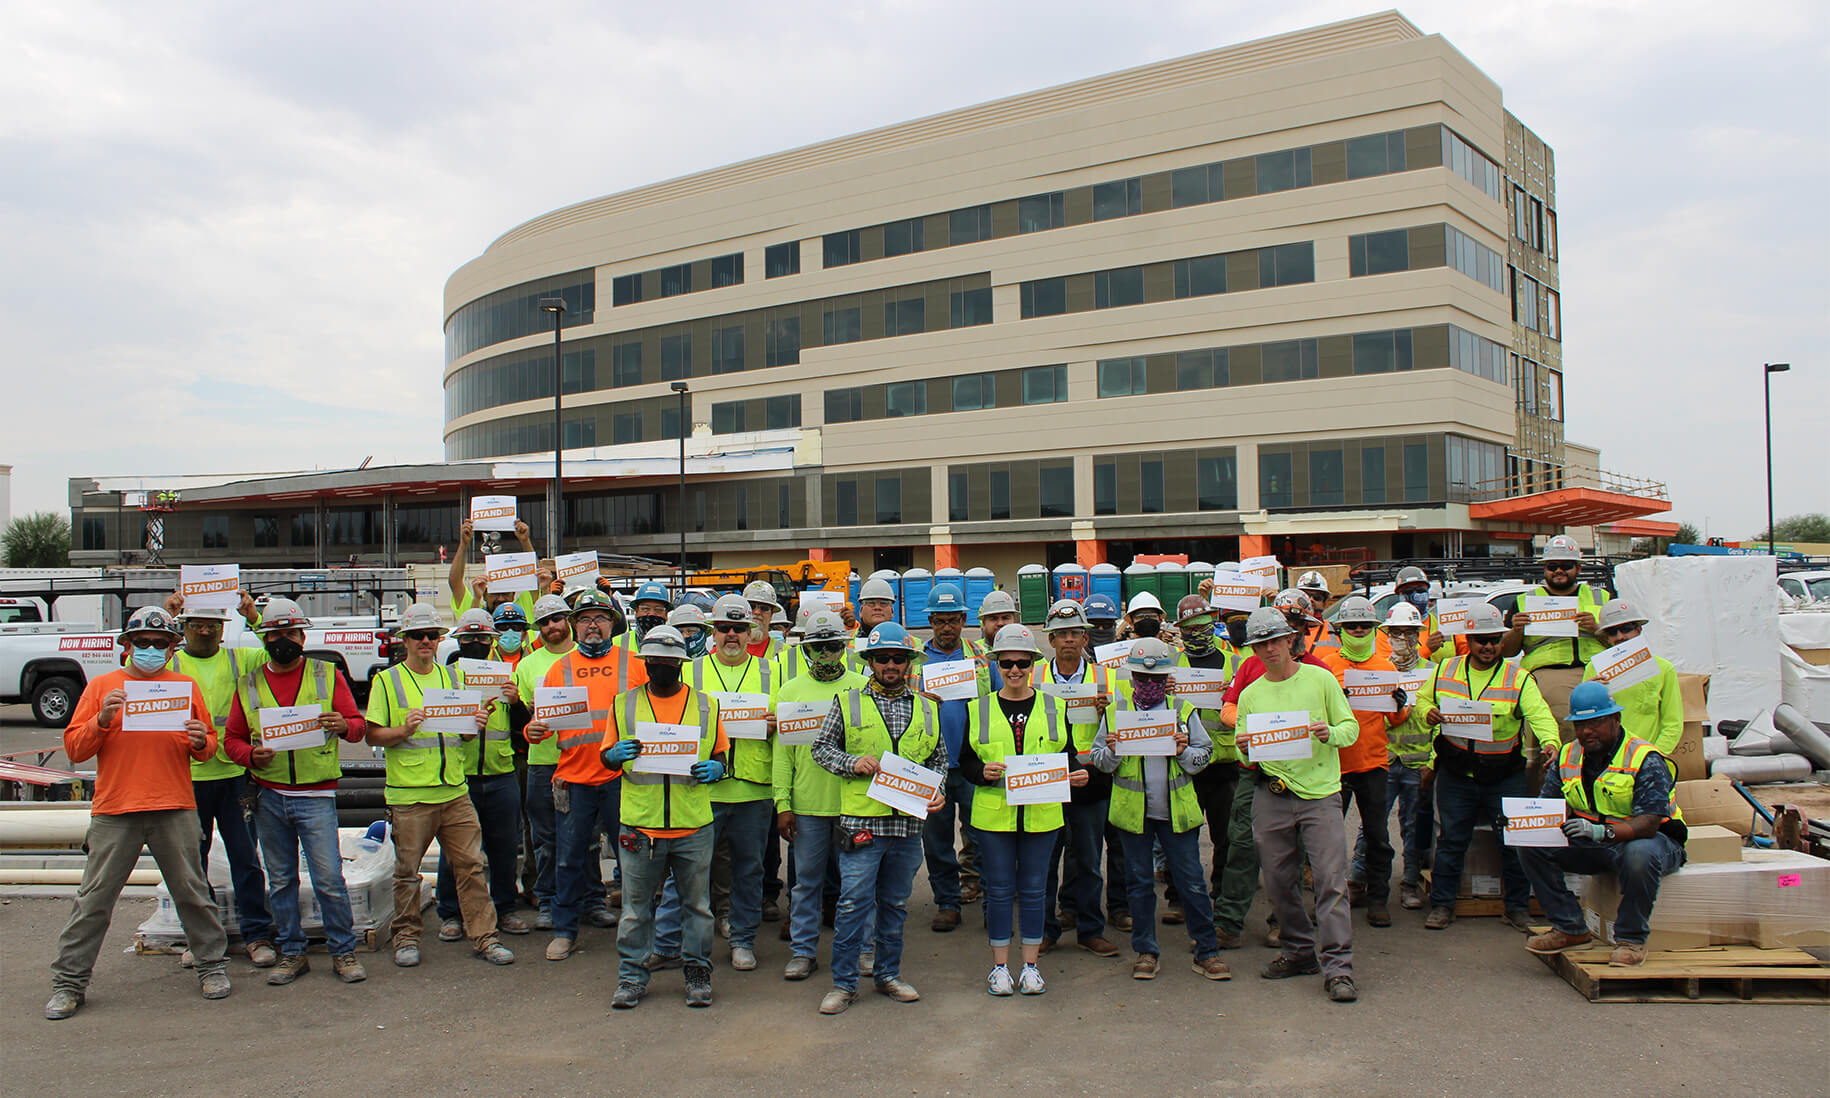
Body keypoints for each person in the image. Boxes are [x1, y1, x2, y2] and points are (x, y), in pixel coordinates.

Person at [45, 607, 229, 1020]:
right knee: (93, 901)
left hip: (174, 805)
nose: (150, 649)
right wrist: (102, 720)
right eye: (142, 642)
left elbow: (206, 747)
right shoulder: (102, 687)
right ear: (125, 646)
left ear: (172, 648)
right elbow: (75, 749)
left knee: (193, 894)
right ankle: (69, 983)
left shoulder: (184, 686)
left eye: (160, 644)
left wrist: (201, 741)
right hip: (116, 809)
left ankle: (211, 967)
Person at [222, 597, 370, 986]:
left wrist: (343, 725)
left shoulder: (326, 674)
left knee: (328, 879)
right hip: (270, 796)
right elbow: (232, 741)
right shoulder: (249, 684)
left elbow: (357, 725)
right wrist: (251, 755)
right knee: (282, 879)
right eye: (276, 634)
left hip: (316, 796)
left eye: (290, 633)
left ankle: (343, 950)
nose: (284, 640)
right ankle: (292, 952)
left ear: (303, 636)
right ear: (265, 638)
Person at [364, 603, 515, 968]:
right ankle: (406, 936)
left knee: (472, 866)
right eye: (418, 636)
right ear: (406, 641)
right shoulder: (387, 681)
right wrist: (404, 729)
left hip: (454, 790)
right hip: (411, 794)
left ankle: (484, 936)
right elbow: (372, 733)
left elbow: (460, 738)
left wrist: (475, 724)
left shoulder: (452, 679)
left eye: (432, 635)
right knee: (407, 873)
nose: (426, 641)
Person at [810, 622, 948, 1015]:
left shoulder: (927, 706)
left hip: (907, 825)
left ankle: (888, 974)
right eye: (882, 657)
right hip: (862, 824)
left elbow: (938, 760)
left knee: (895, 904)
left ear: (908, 663)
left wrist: (938, 790)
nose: (890, 664)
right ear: (870, 662)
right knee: (853, 904)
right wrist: (853, 763)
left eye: (898, 658)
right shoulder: (847, 702)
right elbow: (821, 750)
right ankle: (844, 984)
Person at [1233, 607, 1361, 1003]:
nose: (1269, 650)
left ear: (1290, 640)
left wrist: (1329, 733)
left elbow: (1350, 728)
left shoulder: (1320, 679)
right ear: (1252, 649)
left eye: (1275, 640)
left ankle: (1339, 968)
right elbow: (1244, 753)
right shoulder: (1252, 694)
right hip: (1271, 795)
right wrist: (1244, 749)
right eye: (1260, 644)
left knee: (1329, 881)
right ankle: (1300, 952)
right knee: (1277, 882)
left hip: (1320, 795)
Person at [598, 626, 728, 1009]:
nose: (662, 667)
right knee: (636, 910)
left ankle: (698, 972)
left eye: (669, 661)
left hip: (693, 824)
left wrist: (716, 769)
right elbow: (605, 756)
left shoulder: (706, 705)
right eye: (655, 661)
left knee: (698, 908)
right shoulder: (623, 705)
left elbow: (721, 755)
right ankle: (631, 978)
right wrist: (613, 755)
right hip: (640, 825)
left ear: (681, 664)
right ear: (645, 663)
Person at [1520, 681, 1688, 967]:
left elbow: (1649, 823)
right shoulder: (1567, 755)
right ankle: (1570, 927)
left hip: (1653, 842)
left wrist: (1603, 831)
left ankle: (1631, 940)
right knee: (1531, 844)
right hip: (1597, 844)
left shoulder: (1644, 758)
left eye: (1596, 722)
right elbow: (1550, 808)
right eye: (1580, 724)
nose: (1587, 731)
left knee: (1640, 854)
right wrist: (1519, 822)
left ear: (1615, 719)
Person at [1090, 638, 1229, 982]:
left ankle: (1207, 951)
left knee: (1192, 884)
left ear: (1166, 677)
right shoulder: (1115, 713)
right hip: (1134, 818)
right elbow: (1100, 763)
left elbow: (1203, 757)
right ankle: (1146, 951)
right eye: (1142, 678)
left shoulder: (1183, 711)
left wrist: (1183, 751)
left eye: (1155, 679)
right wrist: (1115, 751)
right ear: (1132, 677)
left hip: (1177, 817)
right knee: (1138, 885)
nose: (1149, 685)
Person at [960, 624, 1088, 996]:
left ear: (1033, 663)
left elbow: (1066, 756)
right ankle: (1000, 967)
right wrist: (980, 773)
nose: (1014, 670)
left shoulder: (1054, 705)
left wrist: (1074, 774)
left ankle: (1031, 966)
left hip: (1042, 815)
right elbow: (966, 761)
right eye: (1007, 663)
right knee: (998, 891)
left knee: (1034, 891)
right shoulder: (978, 708)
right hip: (993, 816)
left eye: (1021, 663)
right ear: (996, 664)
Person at [1416, 602, 1559, 933]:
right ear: (1470, 639)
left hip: (1504, 776)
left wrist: (1551, 742)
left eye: (1495, 640)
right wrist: (1428, 713)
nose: (1489, 647)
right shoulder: (1446, 670)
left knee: (1514, 842)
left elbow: (1539, 714)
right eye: (1481, 640)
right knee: (1452, 841)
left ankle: (1517, 908)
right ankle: (1442, 906)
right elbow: (1423, 699)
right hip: (1457, 773)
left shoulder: (1518, 678)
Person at [653, 594, 778, 971]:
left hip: (753, 789)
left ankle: (742, 940)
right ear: (713, 632)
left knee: (749, 870)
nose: (731, 635)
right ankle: (667, 942)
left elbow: (791, 732)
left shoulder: (770, 672)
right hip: (701, 788)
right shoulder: (691, 671)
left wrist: (777, 724)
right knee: (686, 871)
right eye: (724, 628)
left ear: (749, 630)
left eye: (739, 628)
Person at [1212, 588, 1328, 950]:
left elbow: (1335, 723)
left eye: (1293, 625)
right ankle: (1229, 922)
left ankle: (1284, 922)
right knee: (1242, 845)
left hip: (1300, 776)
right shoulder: (1250, 666)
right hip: (1256, 772)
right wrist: (1244, 727)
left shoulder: (1319, 672)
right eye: (1280, 625)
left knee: (1291, 852)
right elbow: (1227, 708)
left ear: (1301, 631)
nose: (1286, 633)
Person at [530, 590, 643, 961]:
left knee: (633, 857)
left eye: (601, 617)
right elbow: (542, 726)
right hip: (575, 778)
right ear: (574, 626)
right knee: (569, 857)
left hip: (622, 779)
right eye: (584, 619)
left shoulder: (634, 664)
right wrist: (533, 730)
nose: (593, 625)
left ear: (613, 623)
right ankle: (565, 930)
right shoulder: (558, 670)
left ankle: (638, 928)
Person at [172, 596, 278, 969]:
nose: (205, 629)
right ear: (183, 626)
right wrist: (166, 616)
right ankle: (199, 938)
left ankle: (257, 934)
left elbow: (276, 653)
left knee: (245, 858)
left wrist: (254, 617)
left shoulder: (239, 658)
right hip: (186, 776)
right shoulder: (171, 661)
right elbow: (133, 666)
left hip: (234, 773)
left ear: (223, 626)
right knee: (192, 864)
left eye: (213, 623)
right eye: (196, 623)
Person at [773, 610, 865, 980]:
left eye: (833, 646)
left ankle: (858, 950)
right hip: (808, 806)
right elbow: (783, 754)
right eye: (819, 648)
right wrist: (783, 803)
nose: (826, 654)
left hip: (855, 805)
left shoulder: (862, 687)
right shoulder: (790, 691)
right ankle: (803, 952)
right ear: (807, 650)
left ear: (844, 647)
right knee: (806, 884)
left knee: (856, 887)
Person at [435, 609, 530, 942]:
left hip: (501, 773)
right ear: (459, 641)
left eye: (481, 638)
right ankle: (450, 912)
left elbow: (523, 729)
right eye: (469, 638)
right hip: (459, 777)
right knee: (456, 850)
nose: (475, 643)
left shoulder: (507, 676)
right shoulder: (445, 677)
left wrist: (517, 703)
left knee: (504, 847)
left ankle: (505, 908)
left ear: (491, 641)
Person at [1034, 599, 1122, 957]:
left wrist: (1107, 714)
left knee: (1088, 860)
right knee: (1044, 862)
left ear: (1086, 638)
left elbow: (1123, 732)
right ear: (1050, 640)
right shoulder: (1032, 675)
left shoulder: (1107, 678)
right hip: (1047, 776)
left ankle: (1090, 929)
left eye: (1074, 633)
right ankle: (1045, 931)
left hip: (1091, 778)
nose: (1068, 640)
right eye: (1060, 634)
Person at [1319, 596, 1411, 927]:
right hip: (1334, 766)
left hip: (1373, 763)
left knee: (1378, 837)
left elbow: (1394, 721)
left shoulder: (1386, 668)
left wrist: (1401, 705)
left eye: (1364, 626)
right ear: (1340, 630)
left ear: (1373, 630)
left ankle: (1378, 901)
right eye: (1351, 626)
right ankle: (1328, 902)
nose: (1358, 631)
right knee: (1327, 841)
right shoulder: (1327, 665)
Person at [1159, 594, 1239, 932]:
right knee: (1183, 835)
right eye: (1190, 627)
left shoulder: (1233, 664)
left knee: (1225, 836)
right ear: (1181, 629)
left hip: (1224, 762)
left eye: (1203, 624)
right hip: (1184, 763)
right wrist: (1166, 691)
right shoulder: (1171, 665)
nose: (1197, 631)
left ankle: (1219, 894)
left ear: (1214, 624)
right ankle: (1179, 898)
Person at [1352, 602, 1436, 911]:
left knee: (1413, 827)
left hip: (1418, 762)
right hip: (1383, 759)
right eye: (1396, 632)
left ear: (1418, 635)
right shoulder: (1378, 671)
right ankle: (1357, 880)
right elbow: (1370, 716)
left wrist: (1433, 761)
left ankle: (1409, 883)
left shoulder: (1432, 672)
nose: (1402, 638)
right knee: (1371, 826)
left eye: (1409, 633)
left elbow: (1441, 721)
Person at [509, 594, 578, 929]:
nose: (553, 626)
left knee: (585, 837)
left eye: (557, 619)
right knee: (545, 838)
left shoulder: (587, 659)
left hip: (582, 760)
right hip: (542, 763)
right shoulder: (527, 666)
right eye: (545, 622)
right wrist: (529, 720)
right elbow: (520, 721)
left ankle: (584, 900)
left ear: (568, 620)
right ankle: (547, 901)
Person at [915, 582, 979, 930]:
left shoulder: (980, 657)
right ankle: (948, 903)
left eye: (953, 620)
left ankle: (985, 895)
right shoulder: (916, 661)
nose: (946, 628)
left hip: (972, 764)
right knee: (937, 842)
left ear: (963, 619)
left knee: (982, 835)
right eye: (940, 621)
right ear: (931, 621)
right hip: (930, 766)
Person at [1504, 534, 1611, 730]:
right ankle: (1567, 759)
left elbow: (1623, 642)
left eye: (1566, 566)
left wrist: (1596, 629)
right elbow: (1507, 652)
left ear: (1578, 568)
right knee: (1566, 722)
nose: (1559, 571)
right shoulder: (1524, 601)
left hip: (1599, 668)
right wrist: (1517, 631)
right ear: (1544, 569)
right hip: (1549, 672)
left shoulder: (1601, 597)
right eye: (1552, 566)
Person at [1581, 601, 1683, 756]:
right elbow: (1584, 720)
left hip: (1647, 759)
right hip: (1607, 760)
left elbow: (1673, 724)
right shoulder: (1594, 669)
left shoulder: (1664, 669)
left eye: (1626, 629)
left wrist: (1653, 757)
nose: (1620, 636)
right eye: (1612, 632)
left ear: (1639, 629)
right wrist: (1587, 693)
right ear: (1606, 637)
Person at [449, 516, 539, 620]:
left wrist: (525, 541)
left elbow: (535, 577)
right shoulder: (473, 609)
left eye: (505, 593)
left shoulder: (524, 609)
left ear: (514, 594)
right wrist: (464, 544)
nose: (500, 599)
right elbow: (455, 582)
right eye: (494, 594)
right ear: (484, 595)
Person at [845, 576, 899, 676]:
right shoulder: (845, 643)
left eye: (883, 603)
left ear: (892, 612)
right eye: (871, 603)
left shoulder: (912, 643)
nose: (877, 607)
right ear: (860, 611)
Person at [618, 581, 673, 655]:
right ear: (636, 611)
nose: (651, 614)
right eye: (645, 609)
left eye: (658, 609)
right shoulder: (617, 643)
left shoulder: (675, 644)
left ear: (666, 614)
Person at [743, 579, 788, 660]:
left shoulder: (786, 653)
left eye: (764, 608)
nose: (757, 612)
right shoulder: (725, 651)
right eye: (751, 606)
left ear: (772, 614)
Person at [1294, 571, 1337, 652]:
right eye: (1306, 595)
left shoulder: (1336, 631)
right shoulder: (1287, 630)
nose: (1311, 600)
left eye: (1317, 597)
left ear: (1324, 603)